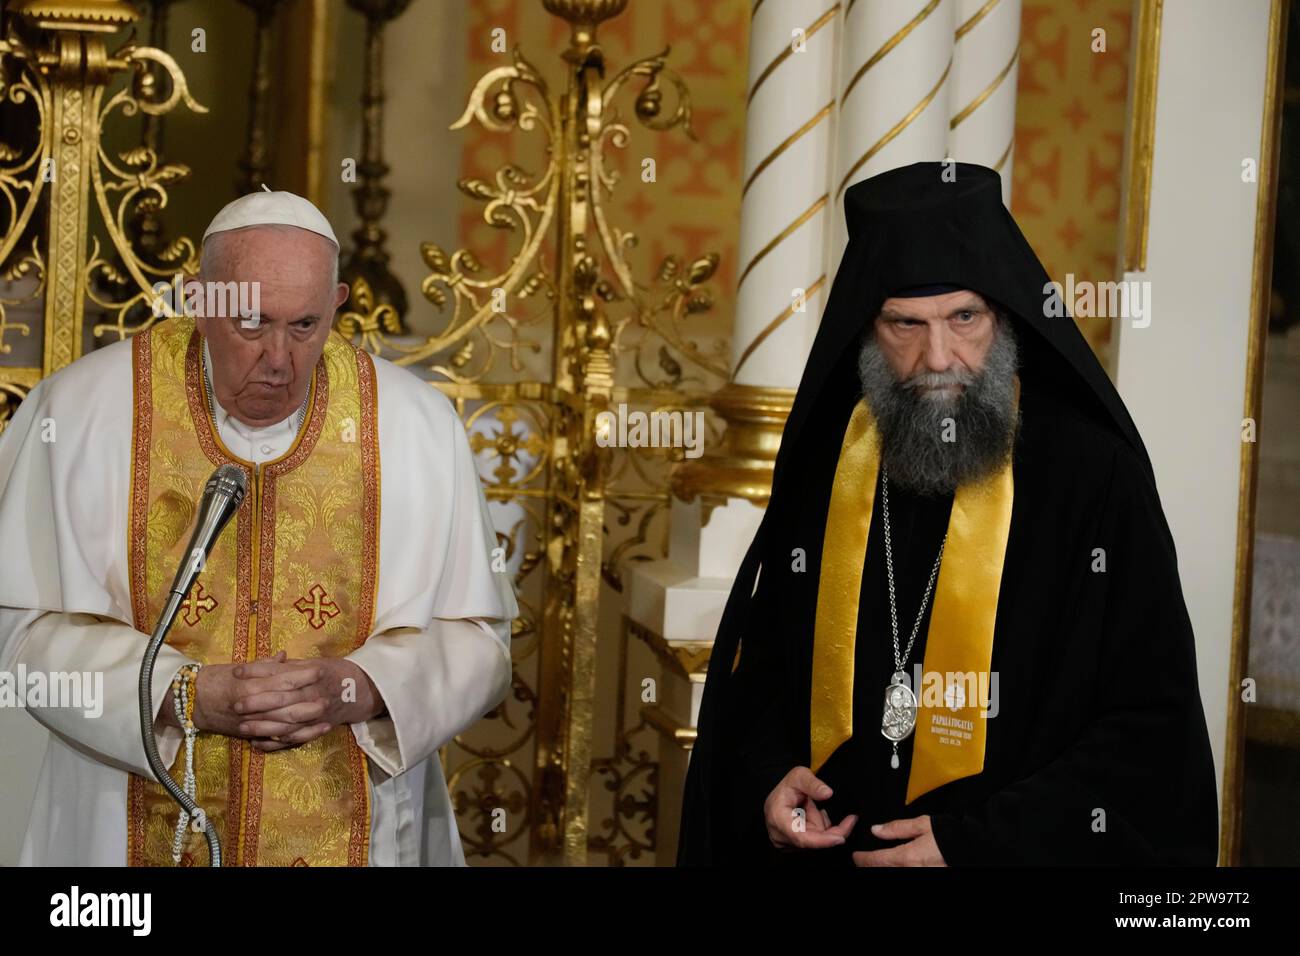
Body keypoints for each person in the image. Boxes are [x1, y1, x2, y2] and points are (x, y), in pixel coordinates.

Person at [676, 162, 1219, 866]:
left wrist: (975, 843)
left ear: (1004, 316)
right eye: (906, 324)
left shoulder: (1092, 478)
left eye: (964, 318)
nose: (940, 358)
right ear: (868, 332)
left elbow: (1149, 728)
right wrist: (768, 776)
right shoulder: (827, 466)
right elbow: (765, 677)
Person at [0, 189, 517, 866]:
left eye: (305, 325)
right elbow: (20, 633)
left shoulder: (416, 426)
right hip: (126, 821)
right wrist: (180, 695)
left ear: (335, 305)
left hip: (351, 810)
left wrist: (357, 687)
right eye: (251, 322)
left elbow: (480, 643)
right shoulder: (83, 411)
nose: (279, 359)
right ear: (199, 302)